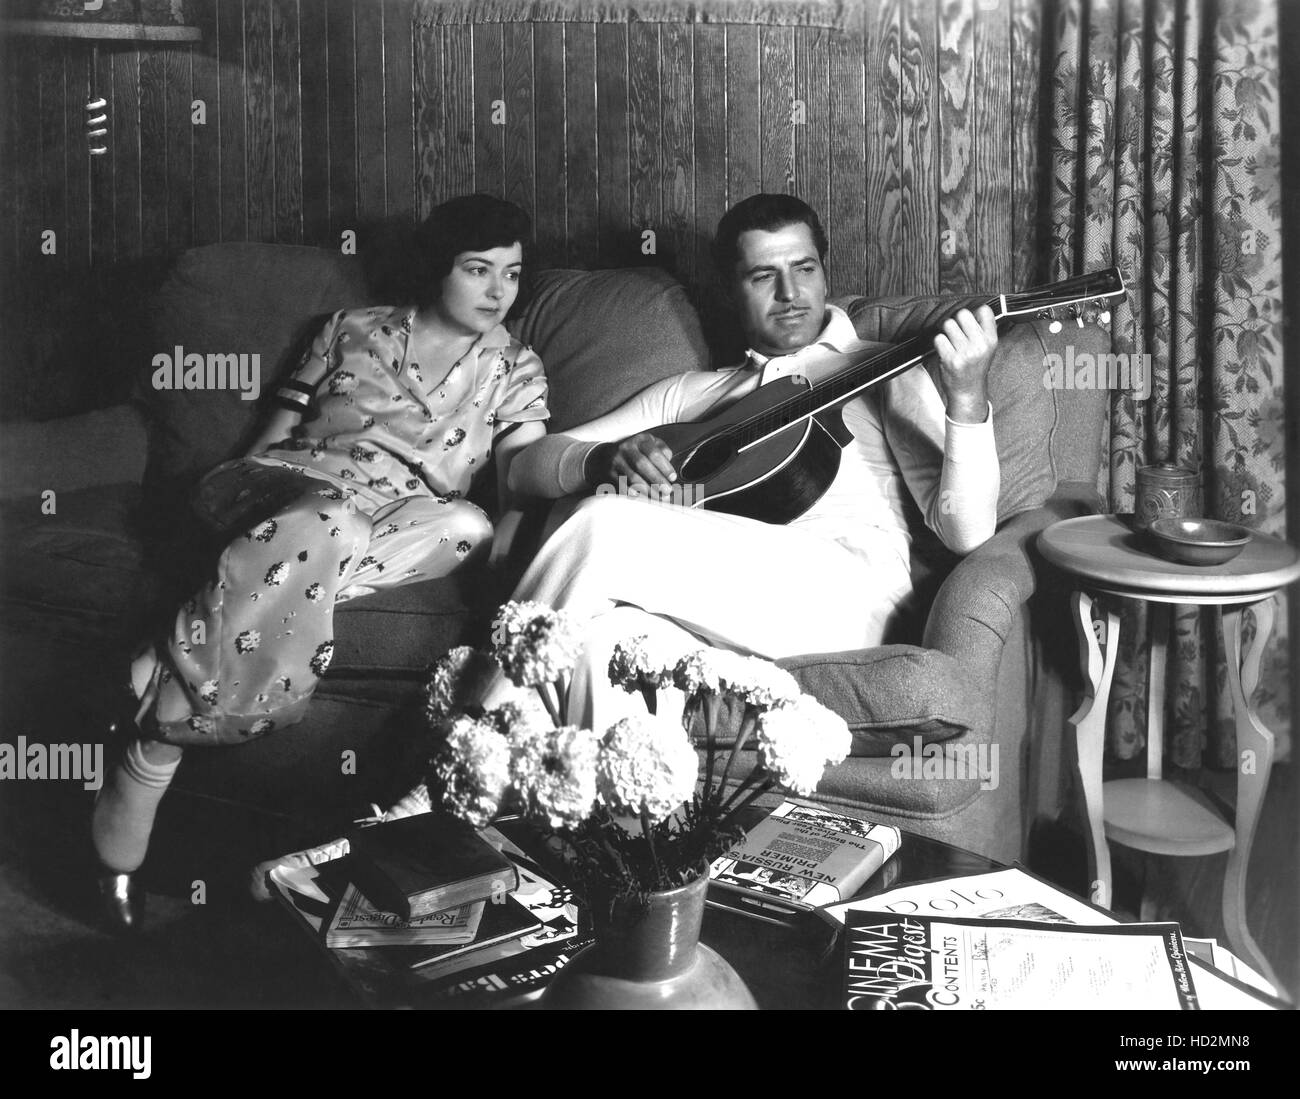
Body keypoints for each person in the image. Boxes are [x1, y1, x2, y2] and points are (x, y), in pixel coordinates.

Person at [92, 194, 549, 930]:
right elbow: (268, 438)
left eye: (513, 273)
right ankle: (154, 753)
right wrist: (244, 502)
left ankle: (163, 681)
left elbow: (525, 467)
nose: (500, 291)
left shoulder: (516, 368)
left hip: (389, 524)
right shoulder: (349, 330)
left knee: (466, 522)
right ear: (440, 270)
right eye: (478, 270)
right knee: (325, 519)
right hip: (284, 490)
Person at [497, 193, 1001, 731]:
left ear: (825, 276)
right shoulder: (689, 395)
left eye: (803, 268)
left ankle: (463, 745)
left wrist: (966, 396)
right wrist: (598, 461)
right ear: (731, 290)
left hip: (850, 596)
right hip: (729, 605)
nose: (789, 293)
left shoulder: (885, 369)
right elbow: (523, 468)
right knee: (603, 647)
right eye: (763, 276)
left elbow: (967, 534)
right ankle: (598, 814)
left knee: (601, 525)